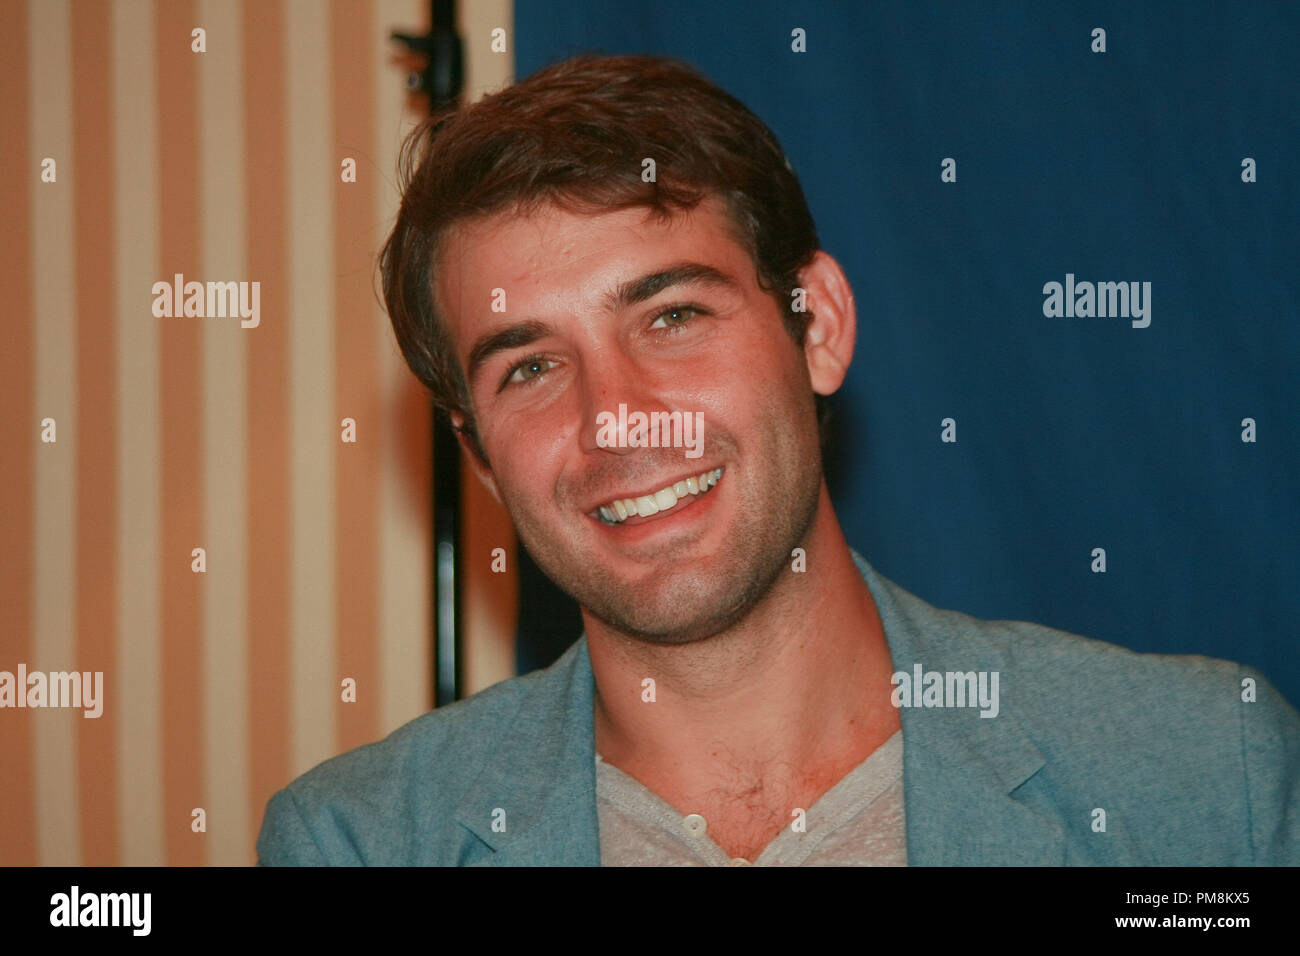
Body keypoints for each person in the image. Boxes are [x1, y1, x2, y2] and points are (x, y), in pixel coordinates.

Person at [256, 53, 1299, 866]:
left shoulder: (1204, 780)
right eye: (529, 367)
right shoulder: (359, 841)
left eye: (671, 315)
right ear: (478, 457)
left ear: (819, 325)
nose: (618, 418)